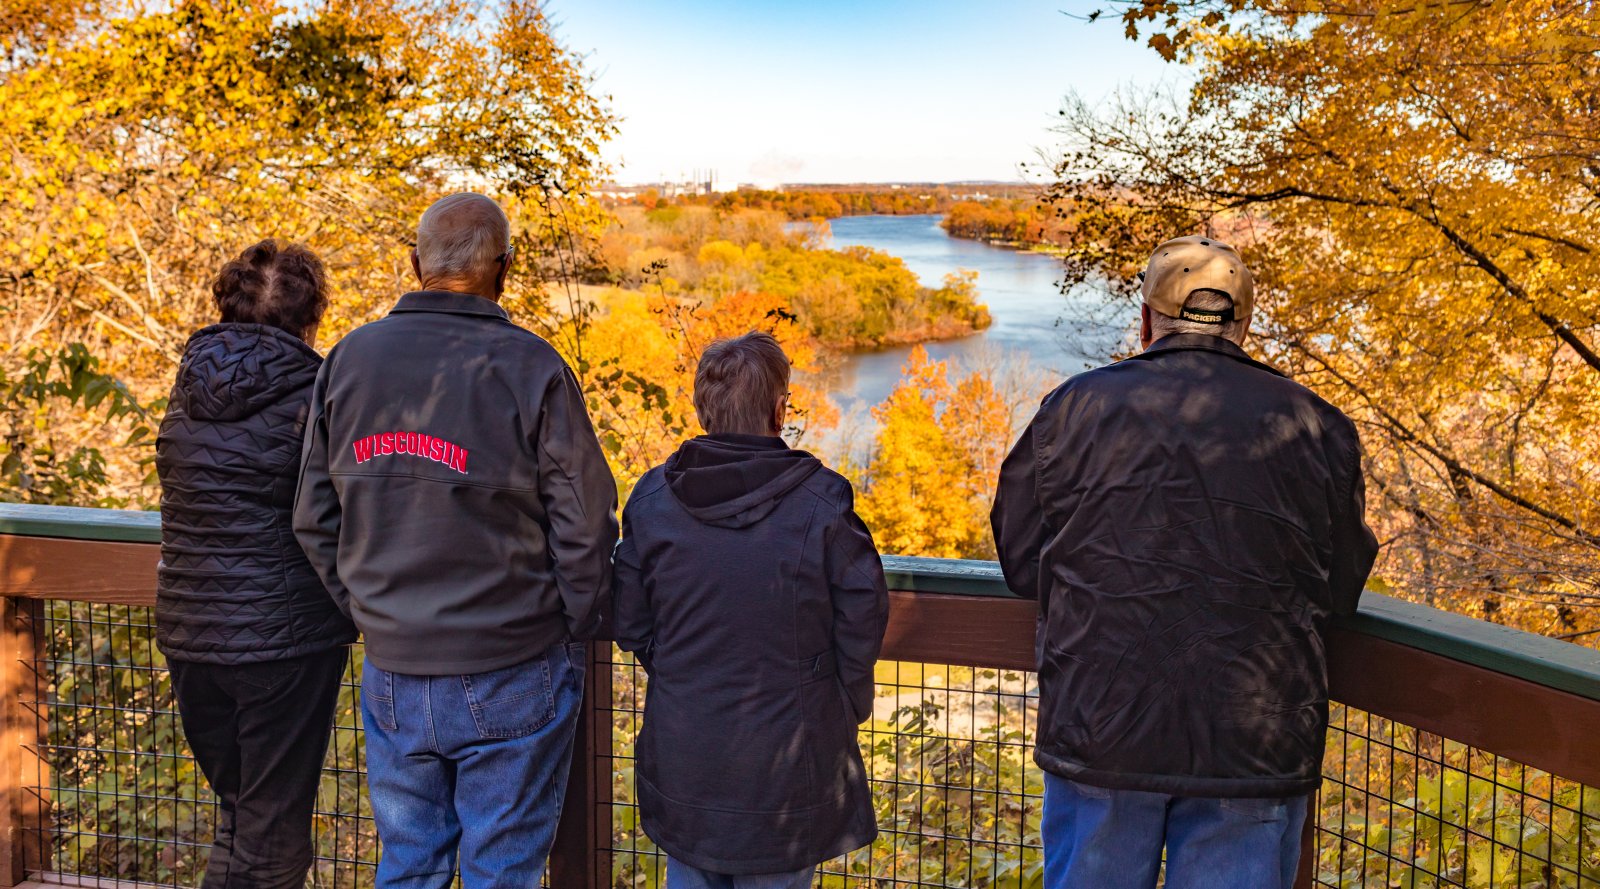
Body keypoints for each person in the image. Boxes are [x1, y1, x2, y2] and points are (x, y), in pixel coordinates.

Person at [991, 235, 1378, 889]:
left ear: (1145, 320)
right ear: (1245, 327)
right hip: (1254, 737)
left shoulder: (1075, 409)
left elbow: (1022, 557)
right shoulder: (1316, 425)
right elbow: (1342, 586)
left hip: (1101, 728)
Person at [293, 193, 618, 888]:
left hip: (393, 669)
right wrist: (576, 613)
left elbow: (313, 516)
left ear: (415, 265)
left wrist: (368, 609)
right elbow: (585, 521)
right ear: (505, 267)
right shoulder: (532, 367)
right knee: (503, 871)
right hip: (513, 657)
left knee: (409, 864)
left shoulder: (349, 361)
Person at [613, 332, 888, 889]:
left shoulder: (652, 499)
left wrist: (678, 671)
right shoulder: (822, 501)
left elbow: (630, 618)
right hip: (789, 767)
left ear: (701, 408)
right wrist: (844, 701)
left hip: (686, 744)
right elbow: (863, 612)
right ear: (779, 408)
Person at [156, 239, 357, 889]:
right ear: (313, 313)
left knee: (240, 818)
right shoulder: (319, 392)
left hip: (192, 636)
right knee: (271, 833)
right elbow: (344, 508)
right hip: (285, 642)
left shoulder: (188, 386)